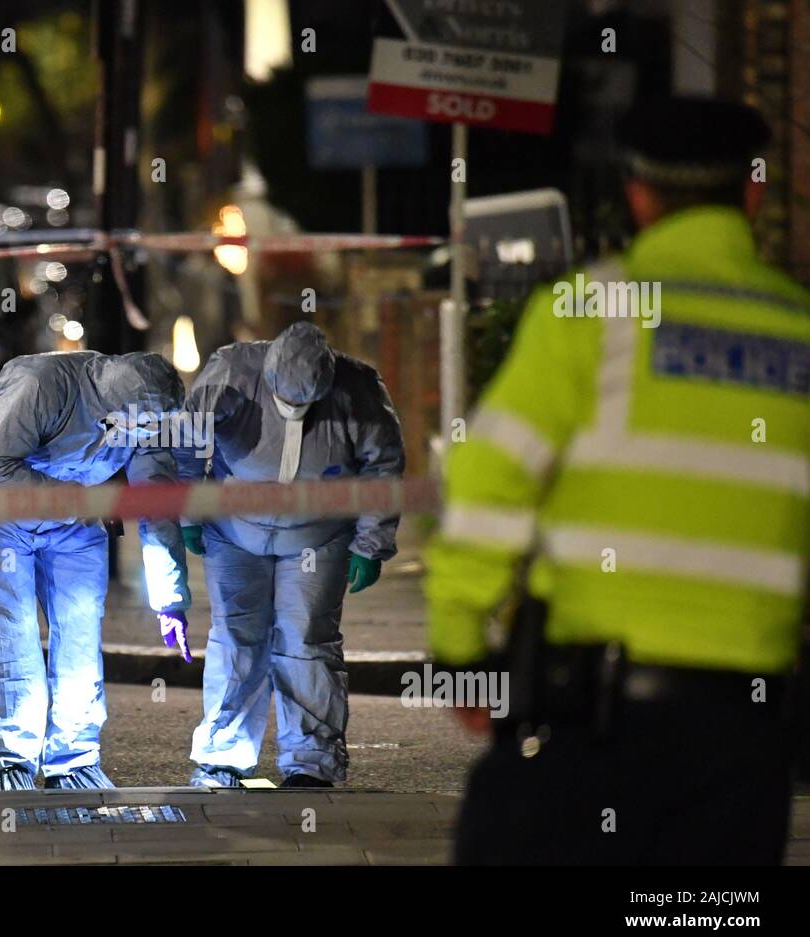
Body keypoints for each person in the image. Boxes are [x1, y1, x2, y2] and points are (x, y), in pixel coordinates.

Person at [426, 96, 810, 864]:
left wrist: (460, 652)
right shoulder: (798, 330)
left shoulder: (590, 312)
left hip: (595, 730)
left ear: (638, 193)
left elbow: (489, 485)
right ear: (753, 192)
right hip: (747, 742)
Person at [0, 351, 192, 791]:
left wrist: (170, 598)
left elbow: (155, 501)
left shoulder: (147, 411)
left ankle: (75, 760)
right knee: (8, 636)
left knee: (80, 637)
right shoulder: (40, 384)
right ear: (109, 408)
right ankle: (10, 763)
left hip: (75, 516)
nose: (142, 438)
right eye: (134, 428)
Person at [178, 321, 405, 788]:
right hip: (234, 530)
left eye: (305, 405)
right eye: (286, 402)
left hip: (318, 536)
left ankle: (311, 763)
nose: (294, 411)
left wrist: (371, 543)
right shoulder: (229, 373)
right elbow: (186, 444)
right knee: (236, 639)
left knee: (307, 641)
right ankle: (223, 757)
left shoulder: (358, 388)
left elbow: (382, 468)